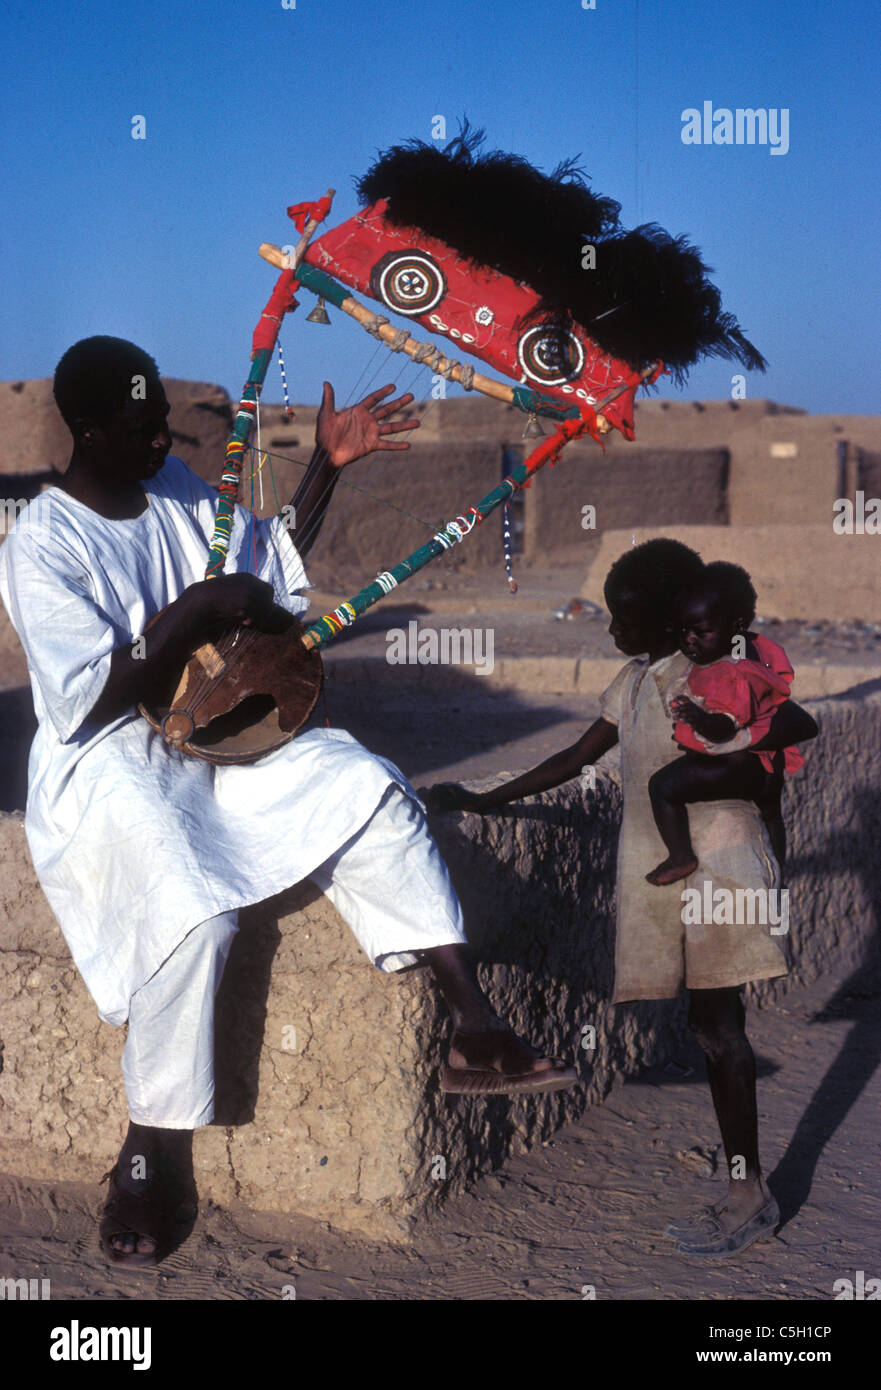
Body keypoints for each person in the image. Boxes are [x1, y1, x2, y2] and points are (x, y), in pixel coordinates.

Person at [0, 335, 576, 1267]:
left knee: (365, 782)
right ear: (90, 430)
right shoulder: (43, 541)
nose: (162, 447)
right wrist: (186, 618)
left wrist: (326, 468)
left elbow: (263, 566)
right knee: (194, 915)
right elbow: (81, 702)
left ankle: (472, 1025)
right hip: (109, 756)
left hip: (217, 733)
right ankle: (154, 1143)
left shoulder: (177, 488)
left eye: (164, 430)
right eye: (143, 433)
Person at [426, 539, 819, 1258]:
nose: (610, 633)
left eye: (623, 620)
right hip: (675, 870)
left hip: (722, 869)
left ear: (673, 621)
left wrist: (767, 859)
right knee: (709, 1028)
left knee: (718, 1031)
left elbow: (767, 776)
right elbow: (577, 759)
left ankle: (747, 1193)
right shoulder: (636, 681)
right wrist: (484, 796)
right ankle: (744, 1181)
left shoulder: (715, 678)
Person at [645, 561, 802, 885]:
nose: (689, 640)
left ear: (735, 627)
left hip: (737, 764)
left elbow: (725, 727)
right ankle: (778, 876)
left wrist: (698, 719)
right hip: (767, 764)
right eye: (683, 631)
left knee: (662, 786)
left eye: (700, 632)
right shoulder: (752, 659)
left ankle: (680, 856)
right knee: (772, 815)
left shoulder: (726, 672)